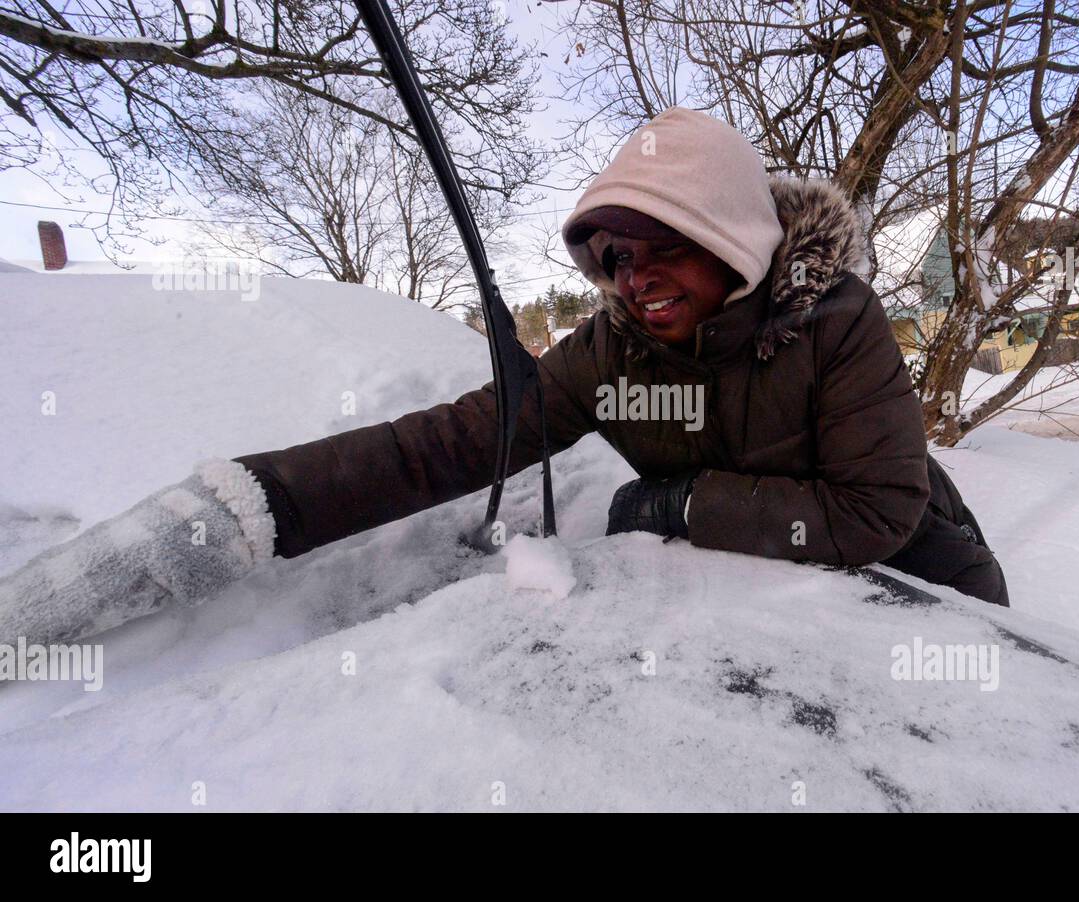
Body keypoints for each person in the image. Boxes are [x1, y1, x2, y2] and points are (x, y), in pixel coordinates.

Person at [0, 107, 1007, 649]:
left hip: (925, 580)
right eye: (609, 255)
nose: (632, 274)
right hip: (776, 608)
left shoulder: (834, 323)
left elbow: (875, 509)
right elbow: (453, 440)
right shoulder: (610, 355)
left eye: (659, 244)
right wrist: (242, 509)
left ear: (732, 236)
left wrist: (680, 498)